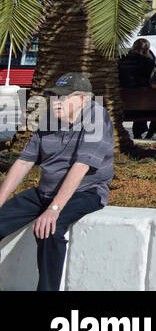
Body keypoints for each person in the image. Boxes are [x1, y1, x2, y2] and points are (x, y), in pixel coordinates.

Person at [0, 73, 113, 290]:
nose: (56, 102)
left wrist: (54, 208)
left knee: (50, 228)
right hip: (46, 190)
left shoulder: (97, 118)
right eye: (53, 97)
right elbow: (24, 162)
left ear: (83, 99)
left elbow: (81, 166)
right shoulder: (50, 119)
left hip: (86, 191)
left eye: (62, 97)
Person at [117, 38, 156, 139]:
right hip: (142, 106)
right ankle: (145, 132)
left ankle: (140, 131)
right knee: (152, 100)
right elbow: (151, 80)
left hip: (121, 103)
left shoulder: (121, 60)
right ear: (146, 51)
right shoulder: (148, 62)